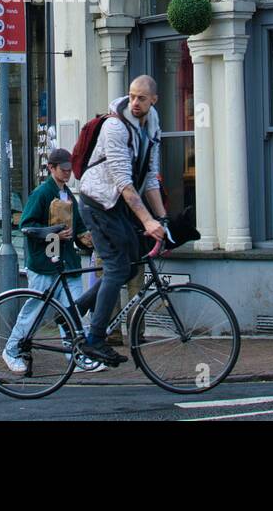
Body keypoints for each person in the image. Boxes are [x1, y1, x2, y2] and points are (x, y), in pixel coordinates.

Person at [75, 75, 166, 366]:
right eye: (131, 96)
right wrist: (148, 221)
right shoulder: (114, 126)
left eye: (141, 98)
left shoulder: (152, 127)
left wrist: (162, 218)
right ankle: (95, 339)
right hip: (97, 202)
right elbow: (124, 183)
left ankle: (72, 313)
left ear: (154, 100)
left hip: (117, 207)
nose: (135, 102)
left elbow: (150, 177)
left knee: (129, 267)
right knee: (116, 268)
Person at [2, 148, 104, 375]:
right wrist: (54, 234)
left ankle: (77, 356)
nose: (68, 174)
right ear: (51, 168)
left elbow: (78, 228)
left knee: (73, 311)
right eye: (64, 170)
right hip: (44, 263)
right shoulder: (41, 194)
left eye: (70, 170)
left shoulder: (68, 195)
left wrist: (88, 238)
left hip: (66, 263)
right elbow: (27, 226)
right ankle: (12, 350)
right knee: (35, 310)